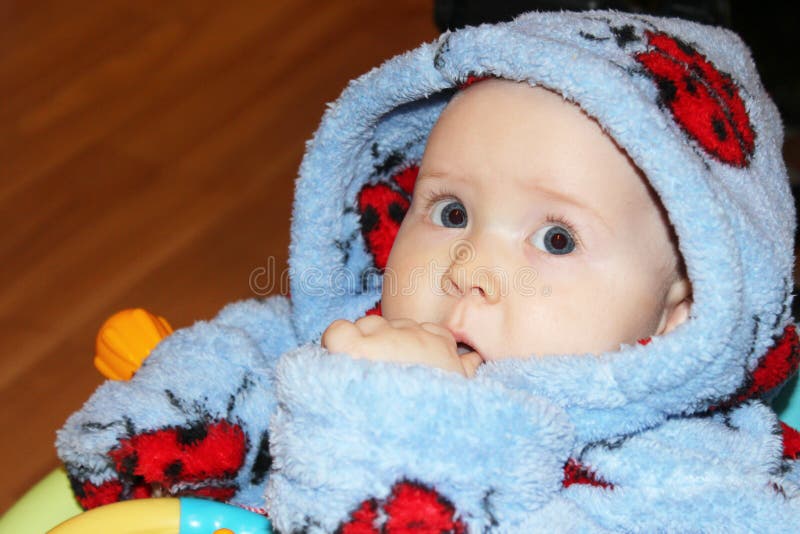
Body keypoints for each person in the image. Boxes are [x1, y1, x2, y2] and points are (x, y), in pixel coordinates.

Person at [57, 10, 800, 531]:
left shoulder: (699, 481)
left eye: (557, 238)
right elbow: (248, 354)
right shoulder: (349, 330)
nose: (470, 268)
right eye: (449, 214)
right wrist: (171, 413)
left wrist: (400, 418)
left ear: (684, 308)